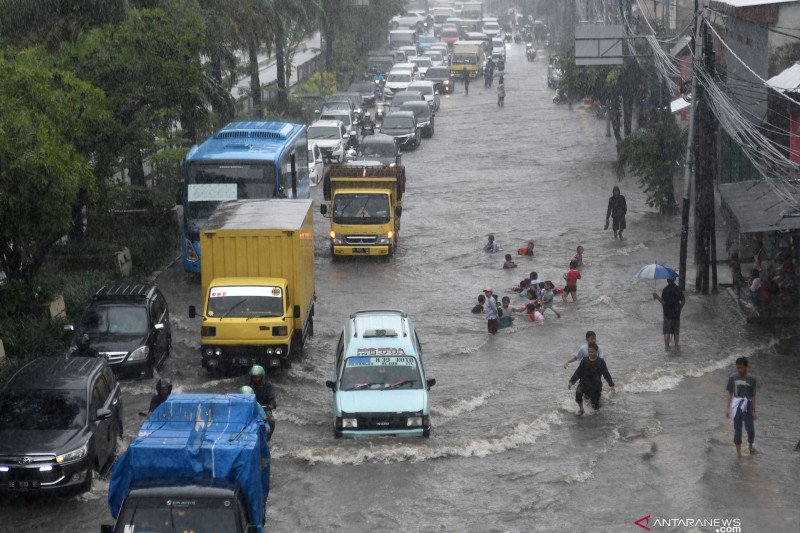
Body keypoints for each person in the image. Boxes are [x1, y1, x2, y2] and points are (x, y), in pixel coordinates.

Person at [568, 343, 614, 416]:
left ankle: (596, 413)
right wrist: (571, 382)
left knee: (595, 406)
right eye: (589, 352)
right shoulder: (584, 360)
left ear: (596, 351)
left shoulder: (601, 362)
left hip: (595, 386)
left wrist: (611, 384)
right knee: (578, 393)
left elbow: (606, 374)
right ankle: (581, 409)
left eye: (592, 352)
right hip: (583, 383)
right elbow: (578, 371)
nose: (590, 353)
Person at [725, 356, 757, 456]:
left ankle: (750, 445)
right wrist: (727, 408)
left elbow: (753, 395)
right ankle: (739, 454)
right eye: (737, 368)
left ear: (746, 367)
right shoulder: (733, 377)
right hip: (737, 406)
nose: (739, 370)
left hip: (748, 405)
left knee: (750, 430)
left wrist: (753, 410)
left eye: (741, 368)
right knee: (738, 430)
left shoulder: (752, 379)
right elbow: (730, 393)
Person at [653, 275, 685, 349]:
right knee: (676, 332)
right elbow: (683, 300)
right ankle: (676, 347)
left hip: (667, 314)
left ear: (667, 280)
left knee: (667, 332)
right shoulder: (678, 289)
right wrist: (680, 308)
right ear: (674, 279)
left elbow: (663, 302)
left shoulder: (665, 290)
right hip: (676, 314)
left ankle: (667, 348)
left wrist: (656, 296)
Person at [248, 365, 276, 439]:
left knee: (272, 421)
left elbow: (272, 399)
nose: (256, 379)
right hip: (251, 408)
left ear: (262, 377)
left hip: (264, 409)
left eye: (258, 377)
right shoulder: (249, 386)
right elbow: (243, 395)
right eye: (254, 377)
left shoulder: (268, 386)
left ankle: (267, 439)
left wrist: (271, 405)